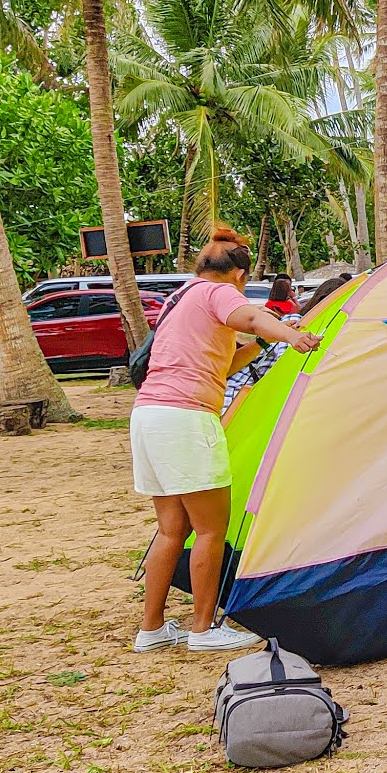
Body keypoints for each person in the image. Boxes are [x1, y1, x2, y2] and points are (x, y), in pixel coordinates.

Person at [132, 225, 321, 652]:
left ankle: (152, 629)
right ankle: (202, 629)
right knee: (211, 529)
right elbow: (253, 315)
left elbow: (220, 365)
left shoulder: (180, 298)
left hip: (150, 415)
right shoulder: (221, 293)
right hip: (185, 418)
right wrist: (294, 336)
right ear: (240, 275)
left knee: (171, 530)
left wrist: (259, 342)